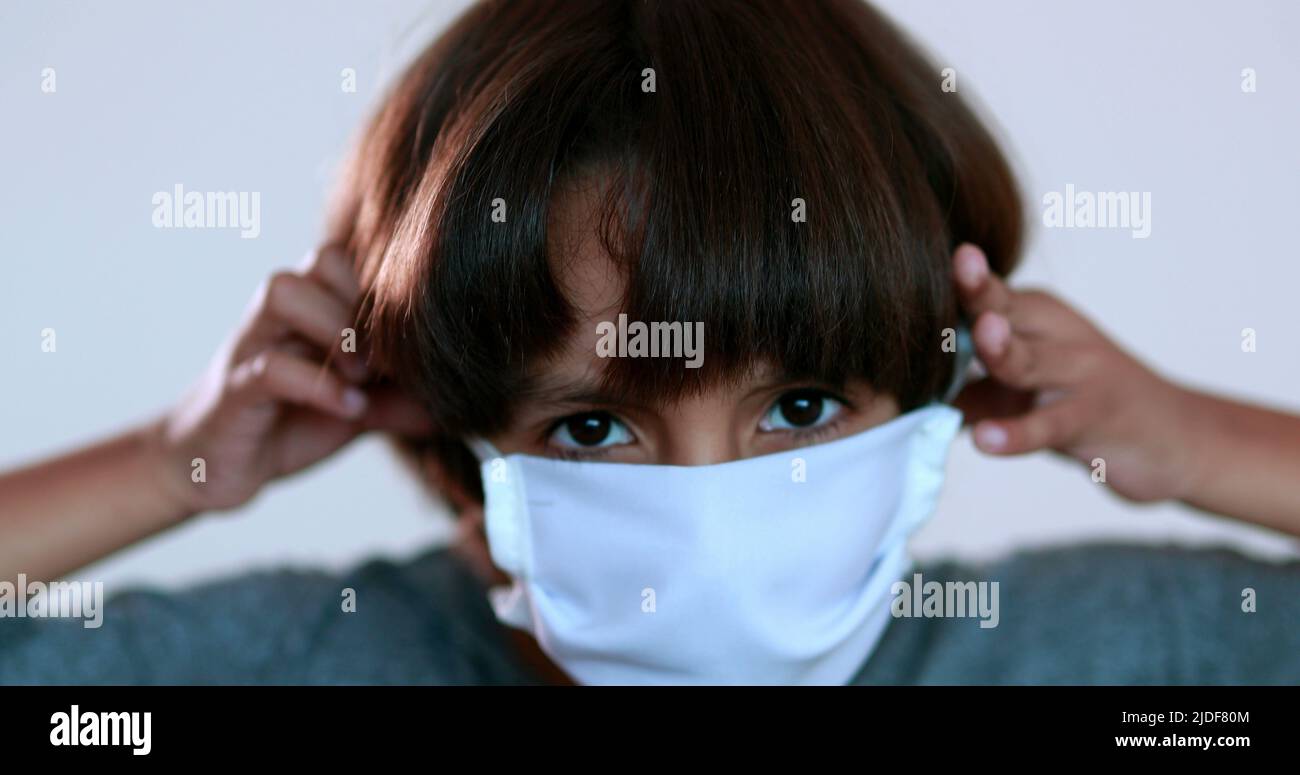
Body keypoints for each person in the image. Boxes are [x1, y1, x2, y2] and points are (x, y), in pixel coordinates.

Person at [2, 0, 1298, 684]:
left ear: (945, 387)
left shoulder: (1107, 667)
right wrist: (175, 465)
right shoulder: (321, 663)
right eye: (593, 425)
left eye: (797, 409)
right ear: (469, 468)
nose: (709, 516)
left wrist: (1196, 442)